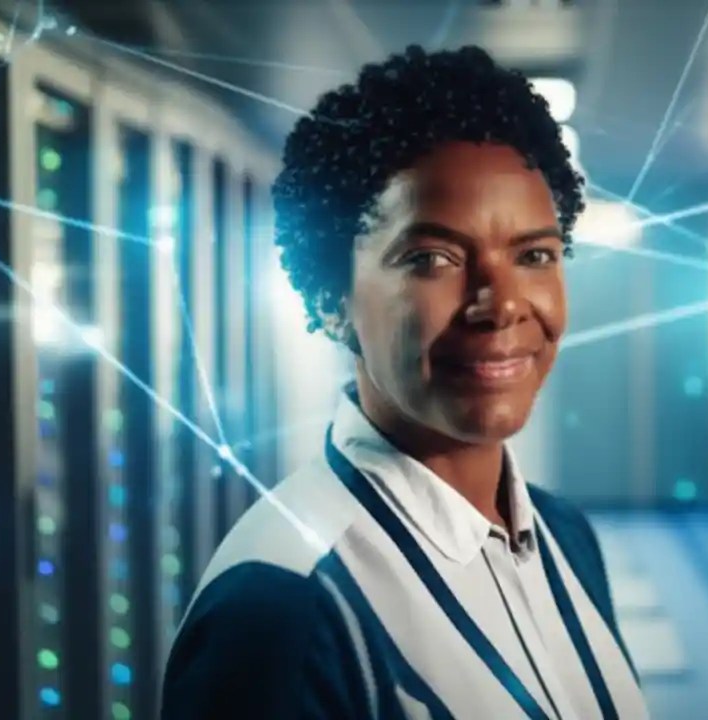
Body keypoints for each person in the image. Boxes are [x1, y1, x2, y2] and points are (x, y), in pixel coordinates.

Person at [161, 44, 648, 720]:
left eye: (534, 254)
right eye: (432, 258)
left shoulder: (566, 537)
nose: (501, 304)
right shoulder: (283, 606)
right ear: (332, 299)